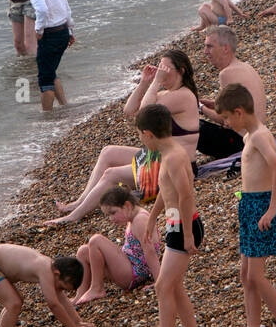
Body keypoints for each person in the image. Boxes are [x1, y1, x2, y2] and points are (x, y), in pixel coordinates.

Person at [48, 52, 199, 223]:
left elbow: (144, 112)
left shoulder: (184, 96)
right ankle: (79, 202)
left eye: (165, 69)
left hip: (175, 169)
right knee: (108, 152)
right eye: (159, 68)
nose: (161, 73)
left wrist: (156, 82)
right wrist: (144, 83)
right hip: (159, 158)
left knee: (111, 174)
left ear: (181, 70)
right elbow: (128, 110)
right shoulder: (167, 94)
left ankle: (73, 216)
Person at [215, 84, 276, 327]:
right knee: (246, 274)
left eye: (227, 117)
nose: (227, 123)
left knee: (256, 276)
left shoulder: (260, 135)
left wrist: (272, 209)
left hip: (262, 205)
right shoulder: (248, 135)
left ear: (239, 112)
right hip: (249, 205)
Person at [135, 103, 204, 327]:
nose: (140, 140)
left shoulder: (173, 156)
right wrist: (152, 219)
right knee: (173, 285)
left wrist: (187, 234)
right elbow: (167, 189)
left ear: (148, 134)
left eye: (140, 135)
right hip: (175, 225)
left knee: (163, 286)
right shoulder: (170, 153)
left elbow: (186, 194)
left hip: (184, 227)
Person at [73, 185, 164, 305]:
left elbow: (150, 251)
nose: (111, 218)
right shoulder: (132, 218)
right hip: (128, 266)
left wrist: (159, 282)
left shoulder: (140, 220)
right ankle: (80, 294)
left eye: (113, 213)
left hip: (134, 274)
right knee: (83, 251)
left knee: (96, 240)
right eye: (108, 215)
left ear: (127, 205)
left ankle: (97, 288)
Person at [10, 0, 74, 112]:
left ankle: (47, 117)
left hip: (51, 34)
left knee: (44, 79)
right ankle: (65, 105)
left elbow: (42, 10)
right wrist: (70, 31)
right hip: (63, 31)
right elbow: (65, 6)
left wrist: (38, 30)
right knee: (50, 71)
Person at [198, 26, 268, 158]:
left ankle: (186, 167)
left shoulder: (226, 74)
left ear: (225, 48)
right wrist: (215, 105)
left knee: (192, 126)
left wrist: (200, 108)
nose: (205, 51)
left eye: (209, 46)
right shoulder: (244, 67)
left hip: (242, 141)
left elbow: (226, 121)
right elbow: (242, 106)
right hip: (259, 133)